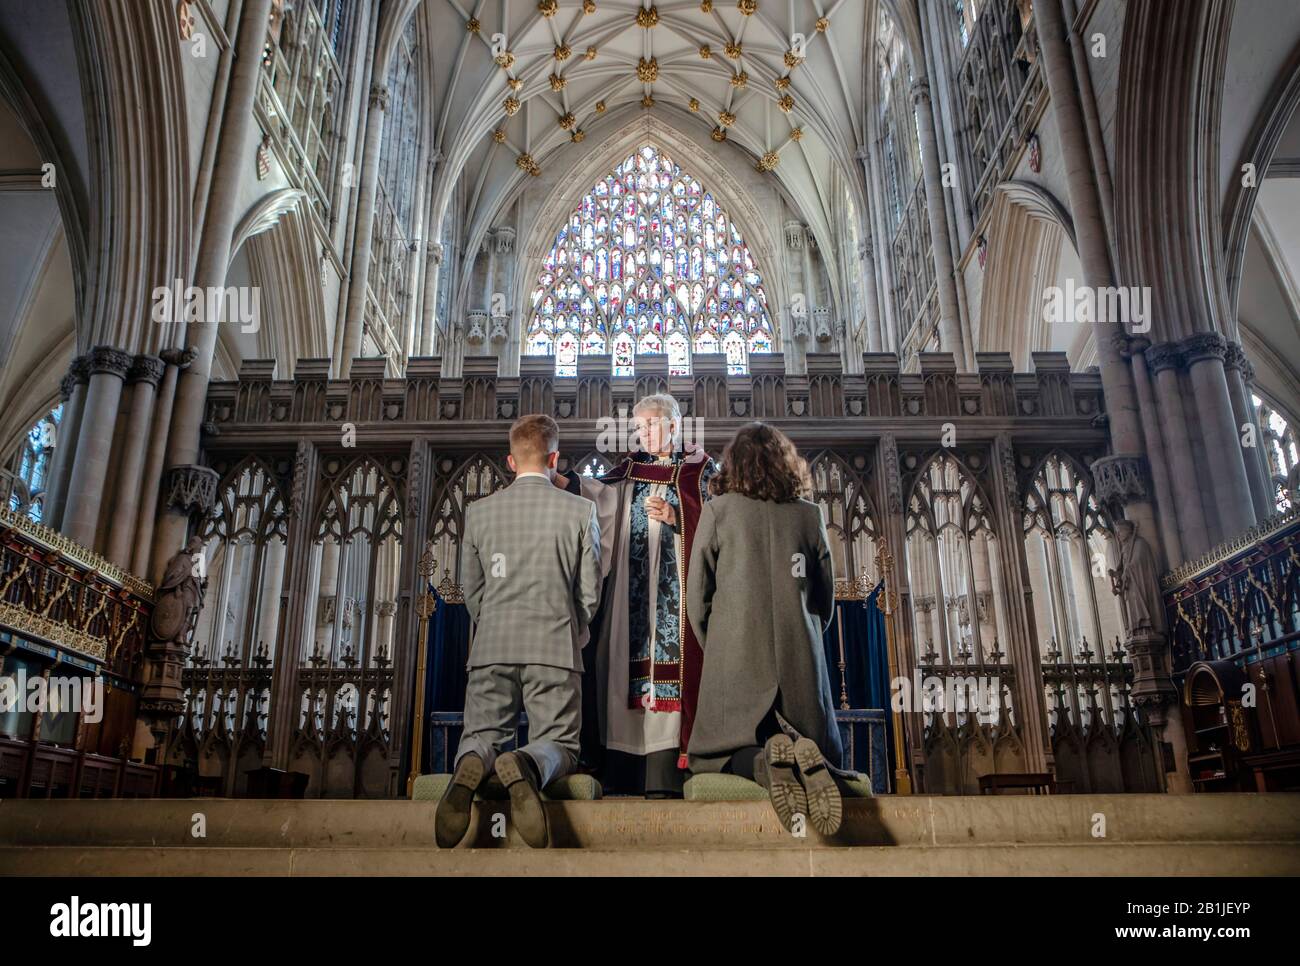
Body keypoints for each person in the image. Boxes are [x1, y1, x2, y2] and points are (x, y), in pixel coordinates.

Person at [435, 414, 602, 849]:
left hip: (492, 644)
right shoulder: (581, 510)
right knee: (561, 744)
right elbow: (590, 592)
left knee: (481, 733)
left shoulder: (480, 512)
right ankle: (524, 763)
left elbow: (472, 592)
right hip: (554, 645)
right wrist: (571, 629)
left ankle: (474, 759)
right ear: (555, 459)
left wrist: (491, 623)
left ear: (510, 461)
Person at [686, 422, 845, 834]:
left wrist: (722, 641)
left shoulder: (719, 511)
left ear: (734, 464)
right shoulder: (810, 516)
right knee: (815, 742)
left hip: (735, 657)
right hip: (799, 662)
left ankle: (762, 763)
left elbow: (697, 596)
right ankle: (804, 757)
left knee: (716, 754)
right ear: (784, 462)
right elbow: (824, 599)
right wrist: (803, 635)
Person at [554, 394, 714, 798]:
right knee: (623, 668)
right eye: (638, 428)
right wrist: (567, 482)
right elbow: (599, 499)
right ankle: (624, 769)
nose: (642, 435)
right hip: (630, 594)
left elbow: (717, 526)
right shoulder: (631, 470)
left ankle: (667, 771)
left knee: (673, 673)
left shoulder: (700, 471)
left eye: (649, 426)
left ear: (674, 426)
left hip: (677, 600)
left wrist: (679, 520)